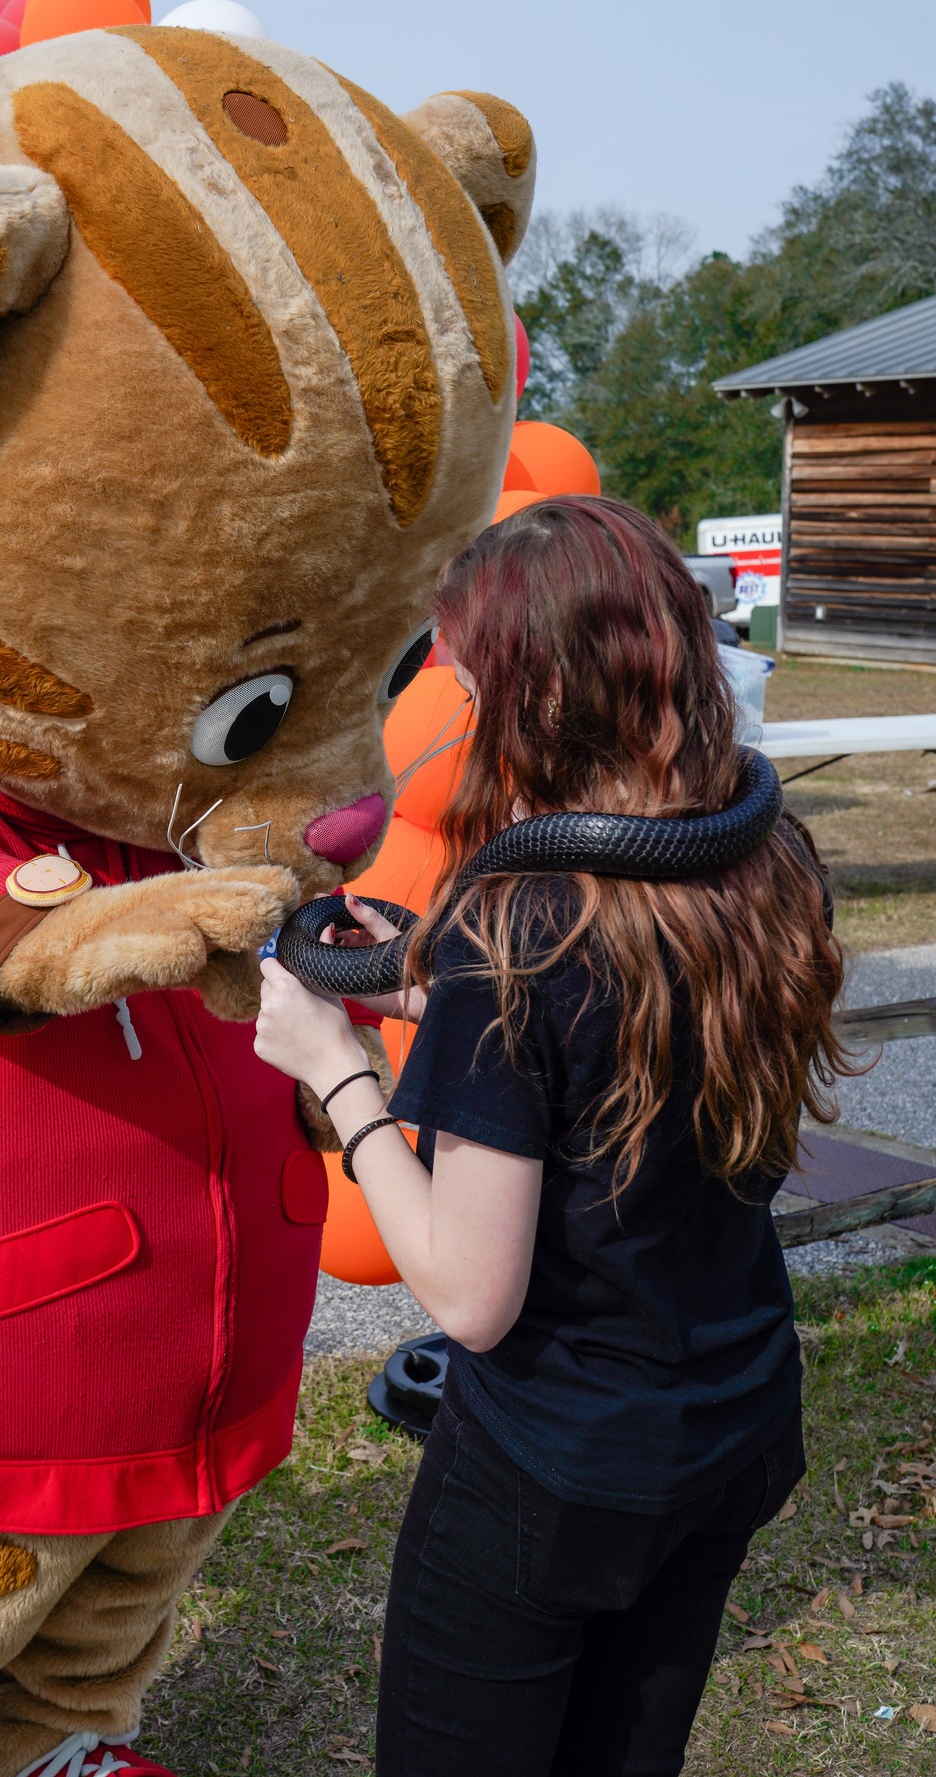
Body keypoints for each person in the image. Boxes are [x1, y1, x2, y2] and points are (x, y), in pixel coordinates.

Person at [254, 495, 851, 1777]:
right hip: (735, 1427)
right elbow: (599, 1037)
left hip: (557, 1476)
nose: (456, 708)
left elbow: (471, 1295)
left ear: (535, 697)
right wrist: (422, 984)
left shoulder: (522, 926)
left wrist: (340, 1072)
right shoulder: (763, 856)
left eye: (467, 684)